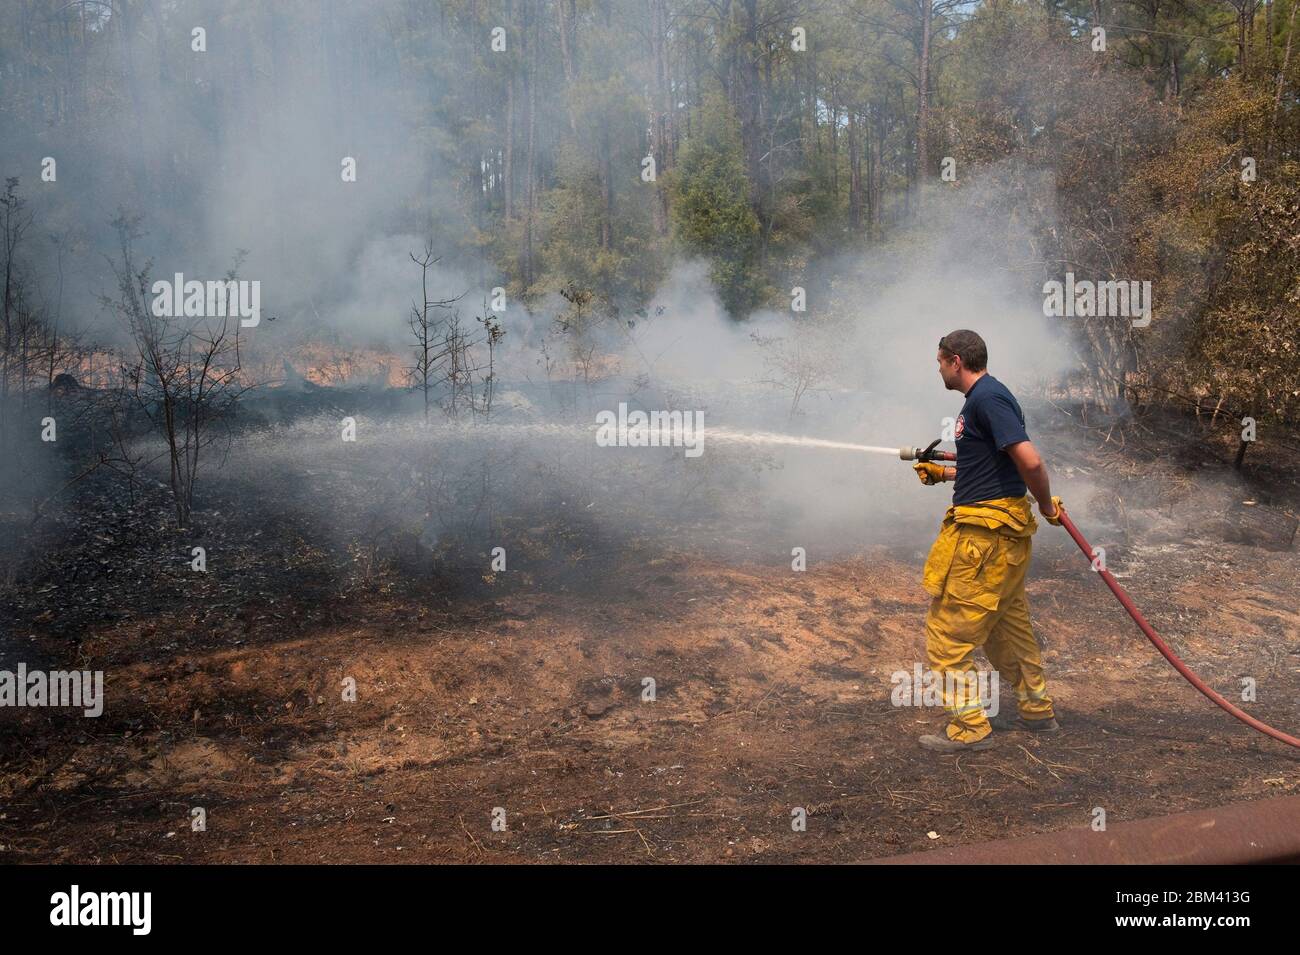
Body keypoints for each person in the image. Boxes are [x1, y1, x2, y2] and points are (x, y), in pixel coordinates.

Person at [911, 330, 1063, 753]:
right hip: (1003, 543)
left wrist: (1048, 506)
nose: (937, 368)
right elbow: (996, 468)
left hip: (983, 543)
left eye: (940, 361)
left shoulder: (987, 399)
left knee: (947, 636)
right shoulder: (985, 400)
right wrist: (942, 474)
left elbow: (1030, 461)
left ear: (956, 360)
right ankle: (1037, 709)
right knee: (1006, 630)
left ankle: (970, 727)